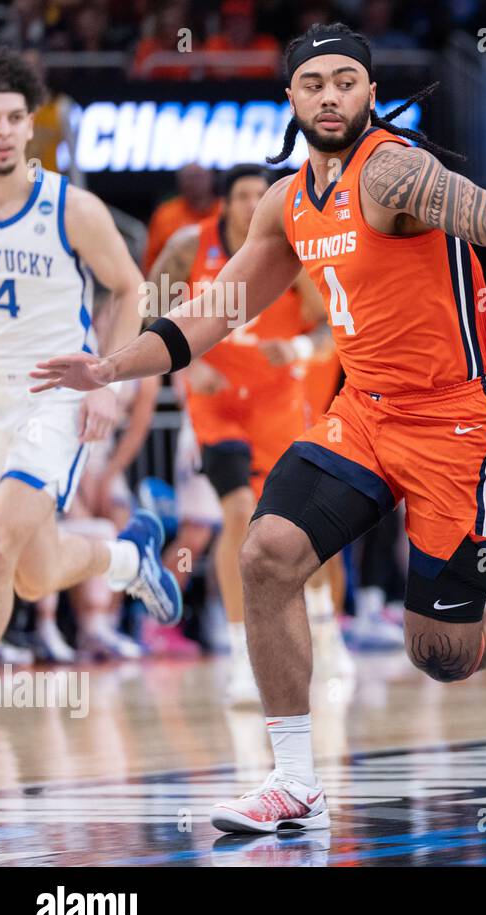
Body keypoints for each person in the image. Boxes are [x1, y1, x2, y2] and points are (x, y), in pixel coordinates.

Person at [32, 22, 486, 834]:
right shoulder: (289, 201)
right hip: (365, 415)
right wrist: (108, 367)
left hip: (458, 420)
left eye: (346, 80)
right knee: (266, 555)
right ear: (292, 98)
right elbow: (211, 315)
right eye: (314, 83)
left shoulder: (398, 172)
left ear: (370, 93)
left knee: (440, 656)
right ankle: (295, 782)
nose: (330, 94)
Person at [0, 47, 180, 660]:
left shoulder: (71, 207)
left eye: (14, 118)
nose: (3, 132)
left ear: (31, 123)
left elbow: (131, 289)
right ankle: (126, 557)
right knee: (31, 573)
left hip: (55, 395)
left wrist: (108, 381)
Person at [148, 163, 350, 703]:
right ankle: (243, 654)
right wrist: (185, 365)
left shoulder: (295, 250)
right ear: (226, 202)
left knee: (298, 530)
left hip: (279, 402)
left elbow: (332, 326)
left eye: (260, 195)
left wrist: (301, 350)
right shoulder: (191, 246)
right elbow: (150, 309)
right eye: (241, 195)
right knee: (237, 514)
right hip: (217, 406)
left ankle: (327, 631)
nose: (250, 203)